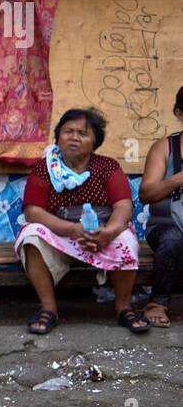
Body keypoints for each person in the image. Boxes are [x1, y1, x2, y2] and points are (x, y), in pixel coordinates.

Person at [15, 108, 146, 334]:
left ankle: (124, 307)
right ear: (58, 137)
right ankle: (48, 309)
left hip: (102, 232)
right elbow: (33, 211)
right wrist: (73, 229)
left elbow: (123, 205)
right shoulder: (45, 168)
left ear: (95, 142)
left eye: (83, 133)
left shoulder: (107, 167)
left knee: (125, 237)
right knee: (31, 235)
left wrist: (109, 231)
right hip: (61, 233)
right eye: (68, 132)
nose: (74, 137)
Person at [136, 86, 183, 327]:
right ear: (178, 113)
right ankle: (157, 302)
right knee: (173, 239)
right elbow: (146, 194)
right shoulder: (165, 148)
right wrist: (176, 179)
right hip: (166, 227)